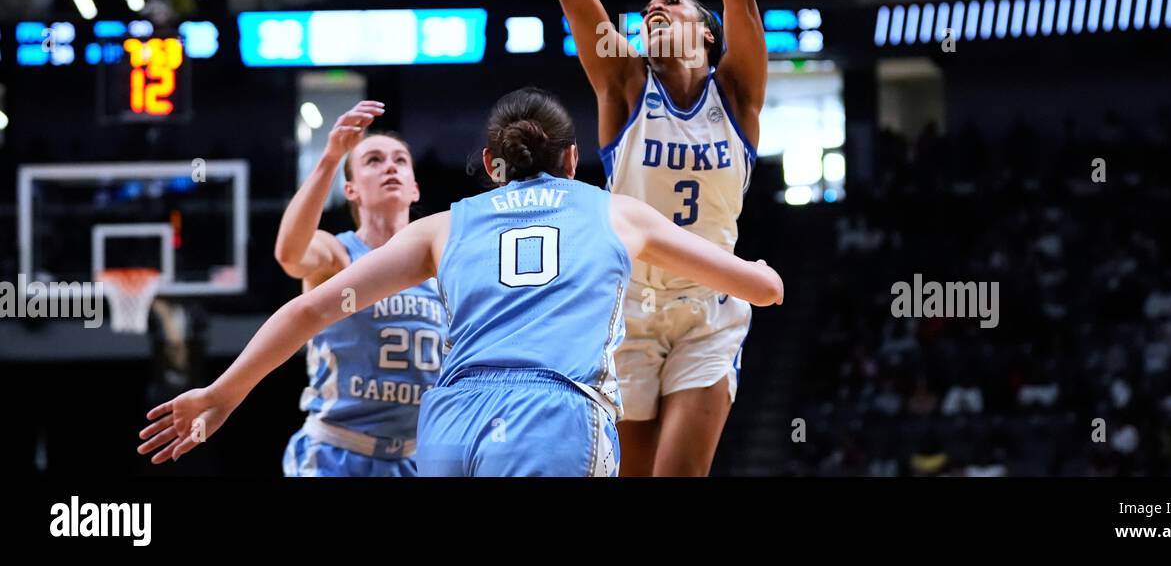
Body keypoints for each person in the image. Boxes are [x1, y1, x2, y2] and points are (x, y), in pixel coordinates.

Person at [138, 87, 783, 477]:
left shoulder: (442, 228)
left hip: (448, 422)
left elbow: (306, 314)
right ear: (570, 160)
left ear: (489, 166)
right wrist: (762, 274)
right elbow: (759, 290)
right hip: (550, 412)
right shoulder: (615, 209)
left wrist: (225, 391)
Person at [473, 0, 768, 476]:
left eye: (671, 4)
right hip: (626, 307)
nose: (654, 11)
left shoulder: (739, 95)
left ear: (707, 32)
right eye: (647, 11)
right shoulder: (624, 87)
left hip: (706, 306)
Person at [273, 100, 446, 476]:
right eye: (374, 160)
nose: (390, 167)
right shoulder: (337, 255)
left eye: (400, 160)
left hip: (417, 458)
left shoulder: (441, 264)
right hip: (337, 454)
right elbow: (289, 253)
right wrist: (330, 158)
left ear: (415, 188)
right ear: (350, 190)